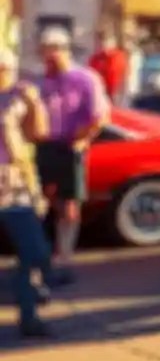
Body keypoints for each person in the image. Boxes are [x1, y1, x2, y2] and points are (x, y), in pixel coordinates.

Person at [37, 26, 108, 277]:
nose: (47, 58)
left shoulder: (85, 78)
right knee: (43, 202)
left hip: (70, 145)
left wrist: (83, 139)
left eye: (51, 52)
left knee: (69, 205)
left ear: (63, 50)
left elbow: (99, 116)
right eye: (44, 53)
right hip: (44, 146)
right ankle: (45, 256)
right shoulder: (43, 81)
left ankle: (65, 257)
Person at [0, 49, 55, 337]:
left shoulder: (18, 97)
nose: (3, 75)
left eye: (5, 69)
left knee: (34, 251)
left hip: (15, 186)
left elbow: (39, 133)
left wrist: (34, 104)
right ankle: (29, 313)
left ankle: (29, 313)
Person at [88, 33, 129, 106]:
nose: (103, 45)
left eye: (106, 42)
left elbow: (120, 75)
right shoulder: (95, 58)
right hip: (100, 92)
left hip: (115, 92)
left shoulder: (118, 56)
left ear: (112, 42)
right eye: (101, 43)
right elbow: (90, 74)